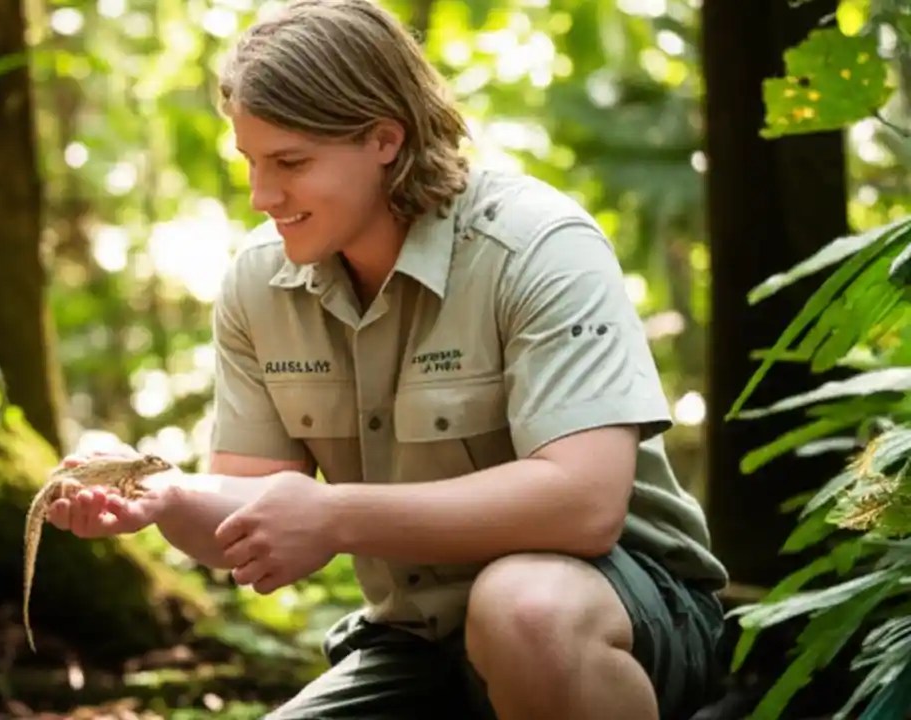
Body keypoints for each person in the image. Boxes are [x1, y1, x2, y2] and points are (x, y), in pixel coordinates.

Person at [46, 1, 729, 718]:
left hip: (619, 610)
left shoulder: (539, 247)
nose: (261, 195)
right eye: (250, 161)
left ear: (383, 139)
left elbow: (583, 505)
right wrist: (163, 495)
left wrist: (337, 516)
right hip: (423, 639)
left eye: (290, 162)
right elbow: (257, 512)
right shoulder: (259, 284)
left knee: (523, 610)